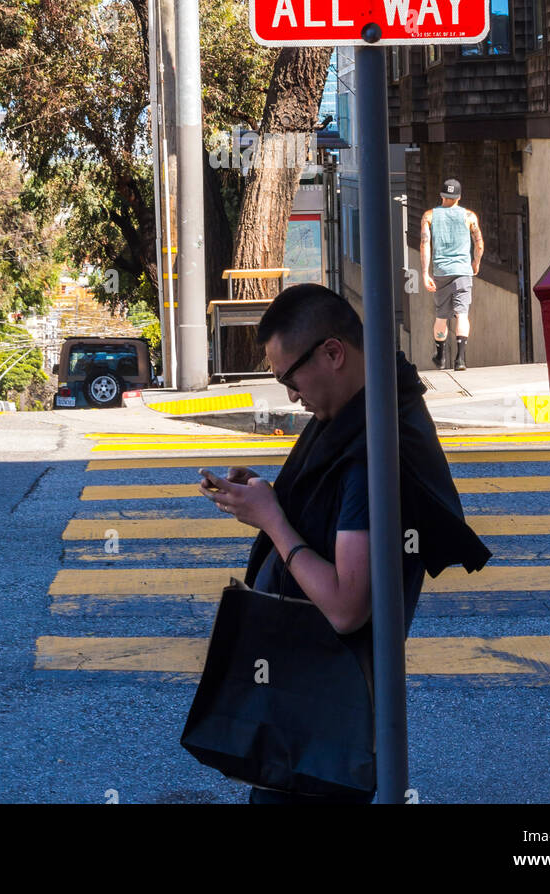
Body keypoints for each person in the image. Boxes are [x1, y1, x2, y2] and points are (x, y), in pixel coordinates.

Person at [198, 283, 491, 805]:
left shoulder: (372, 451)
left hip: (323, 710)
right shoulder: (361, 414)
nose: (290, 394)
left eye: (290, 377)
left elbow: (345, 606)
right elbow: (325, 509)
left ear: (333, 353)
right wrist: (266, 501)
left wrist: (273, 522)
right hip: (312, 698)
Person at [420, 178, 484, 371]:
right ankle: (461, 359)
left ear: (441, 195)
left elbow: (425, 244)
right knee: (462, 314)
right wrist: (476, 262)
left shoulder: (429, 216)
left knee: (441, 316)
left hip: (441, 272)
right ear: (459, 197)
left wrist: (424, 273)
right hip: (463, 271)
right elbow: (479, 243)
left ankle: (440, 357)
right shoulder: (470, 216)